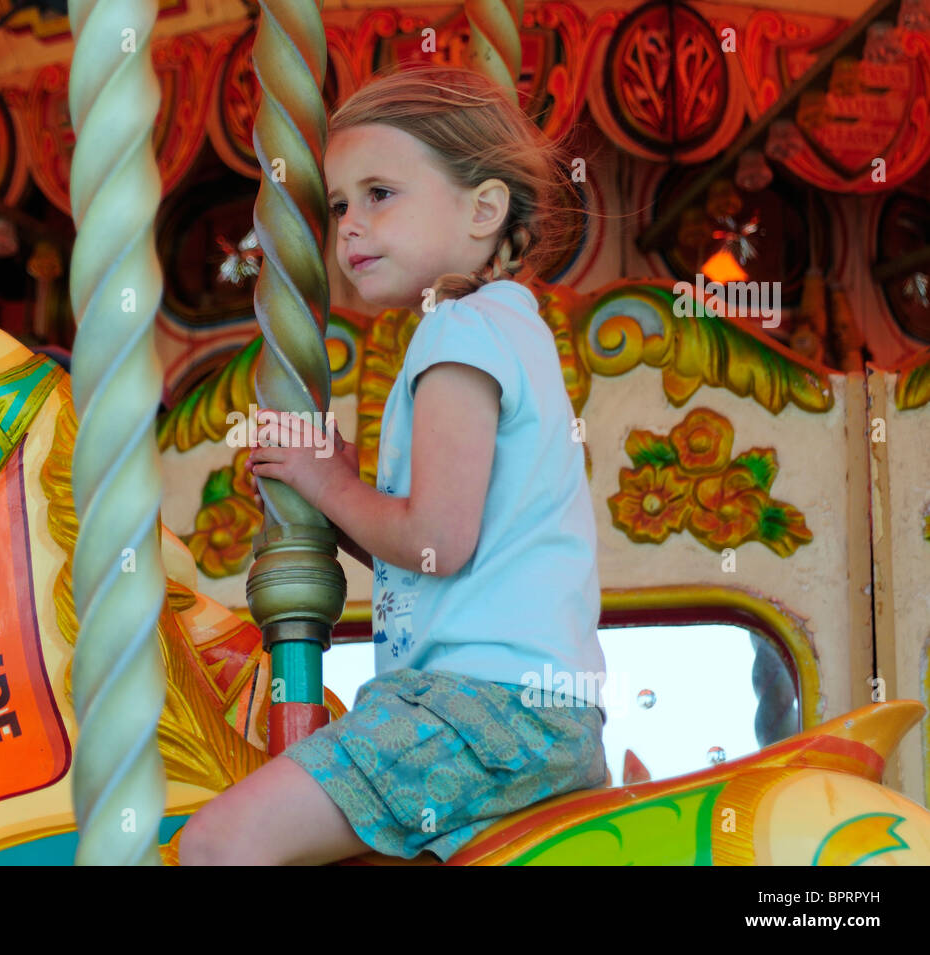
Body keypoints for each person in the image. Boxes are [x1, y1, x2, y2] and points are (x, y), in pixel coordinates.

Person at [177, 64, 606, 866]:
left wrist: (328, 482)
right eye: (339, 204)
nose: (347, 227)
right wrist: (342, 508)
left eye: (380, 194)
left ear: (483, 208)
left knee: (217, 843)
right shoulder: (508, 328)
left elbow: (437, 536)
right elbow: (445, 559)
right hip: (535, 715)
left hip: (476, 711)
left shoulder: (458, 333)